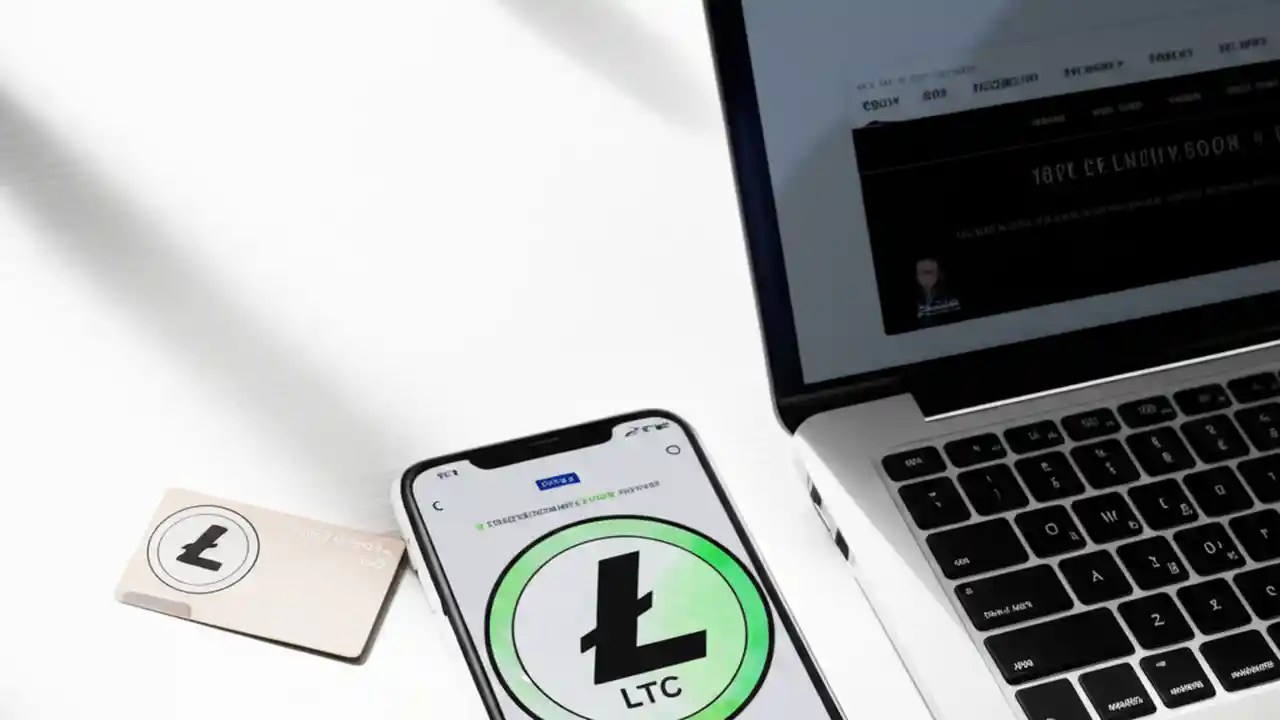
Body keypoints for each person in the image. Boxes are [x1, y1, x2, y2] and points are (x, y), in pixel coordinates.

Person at [915, 257, 961, 322]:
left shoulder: (949, 299)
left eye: (928, 272)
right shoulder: (916, 299)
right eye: (919, 272)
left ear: (938, 274)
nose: (923, 276)